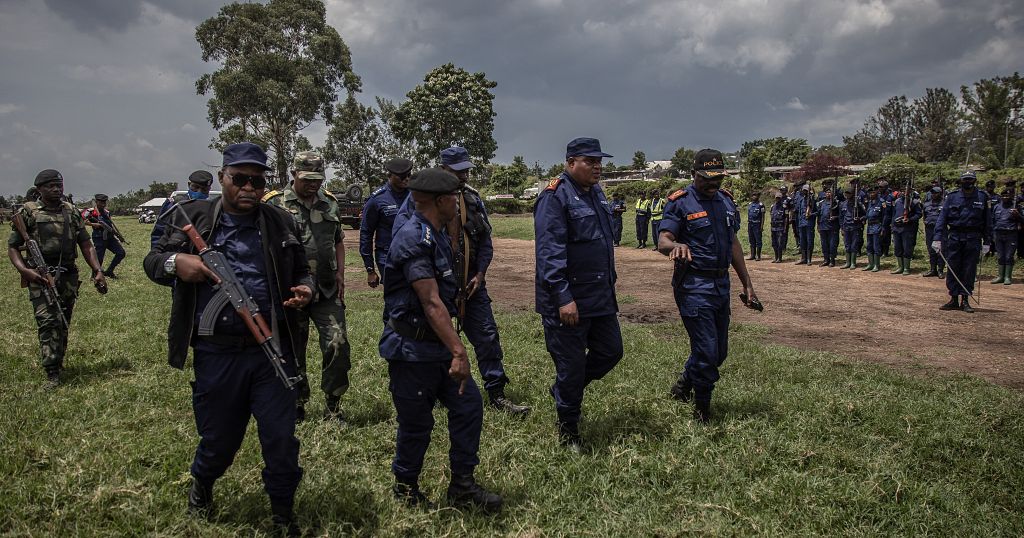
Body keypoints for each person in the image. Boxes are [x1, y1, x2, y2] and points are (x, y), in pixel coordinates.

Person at [144, 142, 313, 533]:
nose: (249, 187)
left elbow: (302, 269)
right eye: (240, 179)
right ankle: (202, 485)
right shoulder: (196, 218)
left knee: (281, 440)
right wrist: (177, 262)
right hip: (217, 353)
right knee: (220, 439)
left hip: (271, 351)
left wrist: (304, 288)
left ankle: (283, 514)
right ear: (222, 178)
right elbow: (152, 261)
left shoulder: (280, 221)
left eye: (257, 181)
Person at [380, 167, 503, 512]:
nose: (458, 203)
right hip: (412, 350)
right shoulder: (414, 238)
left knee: (469, 406)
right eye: (453, 198)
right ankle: (406, 488)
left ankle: (462, 486)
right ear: (439, 201)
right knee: (417, 423)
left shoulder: (435, 234)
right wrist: (459, 352)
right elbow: (431, 302)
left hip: (436, 346)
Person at [534, 137, 622, 450]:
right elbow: (549, 253)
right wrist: (563, 297)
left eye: (600, 162)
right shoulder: (554, 196)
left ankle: (563, 391)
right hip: (568, 300)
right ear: (571, 162)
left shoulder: (596, 192)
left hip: (599, 296)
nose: (598, 167)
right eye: (590, 161)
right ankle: (568, 429)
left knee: (611, 351)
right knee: (570, 367)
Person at [659, 149, 759, 423]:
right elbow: (663, 240)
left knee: (719, 352)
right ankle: (702, 410)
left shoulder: (725, 201)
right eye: (707, 178)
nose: (713, 184)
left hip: (720, 283)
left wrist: (747, 284)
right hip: (693, 284)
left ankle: (684, 385)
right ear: (694, 174)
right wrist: (676, 246)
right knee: (706, 350)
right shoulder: (681, 202)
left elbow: (733, 243)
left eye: (718, 178)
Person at [435, 147, 529, 416]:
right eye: (457, 171)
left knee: (487, 337)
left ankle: (497, 393)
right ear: (443, 170)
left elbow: (486, 243)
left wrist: (480, 274)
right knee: (436, 341)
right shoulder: (424, 200)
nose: (464, 175)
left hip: (472, 285)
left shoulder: (473, 199)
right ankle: (437, 391)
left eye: (466, 170)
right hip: (437, 287)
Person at [263, 151, 352, 425]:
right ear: (294, 174)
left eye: (318, 179)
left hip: (326, 289)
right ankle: (297, 404)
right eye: (307, 179)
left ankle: (333, 406)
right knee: (293, 350)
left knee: (338, 344)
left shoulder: (330, 202)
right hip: (291, 292)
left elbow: (337, 240)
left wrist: (340, 273)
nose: (313, 184)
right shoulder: (274, 204)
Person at [8, 169, 107, 387]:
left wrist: (97, 270)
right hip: (40, 275)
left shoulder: (71, 211)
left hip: (68, 275)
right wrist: (24, 271)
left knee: (63, 319)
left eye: (59, 185)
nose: (56, 189)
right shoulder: (28, 212)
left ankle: (58, 360)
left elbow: (86, 243)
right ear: (39, 189)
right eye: (50, 186)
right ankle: (51, 370)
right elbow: (13, 247)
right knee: (47, 321)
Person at [933, 171, 992, 313]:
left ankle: (965, 299)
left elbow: (988, 221)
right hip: (955, 236)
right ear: (961, 181)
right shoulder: (952, 197)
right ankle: (953, 298)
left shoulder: (982, 197)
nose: (968, 182)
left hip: (973, 237)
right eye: (965, 179)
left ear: (975, 180)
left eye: (970, 179)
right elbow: (942, 218)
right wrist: (937, 238)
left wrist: (987, 241)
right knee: (953, 267)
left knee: (969, 269)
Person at [361, 158, 412, 289]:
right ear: (390, 175)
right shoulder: (377, 199)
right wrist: (370, 269)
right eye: (402, 176)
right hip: (388, 257)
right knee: (395, 295)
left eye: (409, 175)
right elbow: (366, 234)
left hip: (412, 254)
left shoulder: (415, 196)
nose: (406, 179)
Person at [150, 170, 213, 248]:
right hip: (174, 250)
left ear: (209, 189)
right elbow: (159, 232)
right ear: (189, 185)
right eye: (195, 187)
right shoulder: (174, 204)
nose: (199, 192)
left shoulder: (212, 208)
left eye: (204, 190)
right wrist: (156, 252)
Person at [83, 194, 126, 278]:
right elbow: (82, 220)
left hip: (109, 237)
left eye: (104, 202)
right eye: (101, 202)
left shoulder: (106, 212)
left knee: (121, 253)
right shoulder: (90, 211)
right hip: (99, 237)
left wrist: (118, 235)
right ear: (96, 202)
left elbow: (110, 225)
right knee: (99, 258)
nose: (103, 204)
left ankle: (109, 271)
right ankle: (95, 275)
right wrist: (94, 224)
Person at [989, 187, 1020, 285]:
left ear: (1011, 196)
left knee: (1009, 256)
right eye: (1003, 196)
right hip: (998, 234)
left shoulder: (1016, 207)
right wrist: (992, 234)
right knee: (1000, 255)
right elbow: (992, 220)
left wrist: (1017, 215)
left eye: (1007, 195)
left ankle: (1007, 277)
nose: (1005, 197)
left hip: (1011, 234)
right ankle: (1000, 276)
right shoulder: (996, 207)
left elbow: (1022, 220)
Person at [890, 187, 922, 275]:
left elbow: (919, 214)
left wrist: (910, 219)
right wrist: (892, 226)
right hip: (897, 228)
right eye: (903, 191)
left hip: (907, 228)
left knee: (907, 248)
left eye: (907, 191)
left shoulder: (914, 202)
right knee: (897, 248)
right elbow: (894, 215)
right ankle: (900, 267)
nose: (905, 192)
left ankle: (906, 268)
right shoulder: (897, 201)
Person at [839, 188, 866, 269]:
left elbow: (865, 214)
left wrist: (860, 219)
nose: (847, 195)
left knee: (854, 245)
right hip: (846, 227)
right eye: (846, 193)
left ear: (853, 194)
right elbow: (841, 217)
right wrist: (842, 228)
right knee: (847, 245)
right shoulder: (843, 204)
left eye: (849, 193)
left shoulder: (858, 204)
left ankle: (853, 263)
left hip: (855, 227)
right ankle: (848, 262)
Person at [921, 187, 946, 277]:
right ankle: (933, 269)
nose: (933, 194)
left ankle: (940, 270)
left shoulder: (944, 204)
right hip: (929, 229)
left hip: (941, 230)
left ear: (940, 194)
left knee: (941, 250)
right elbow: (924, 215)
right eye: (932, 193)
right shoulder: (927, 204)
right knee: (931, 249)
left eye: (936, 193)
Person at [862, 186, 885, 272]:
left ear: (877, 192)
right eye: (870, 193)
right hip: (870, 227)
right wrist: (863, 218)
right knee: (869, 246)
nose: (871, 194)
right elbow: (868, 214)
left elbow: (885, 216)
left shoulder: (881, 202)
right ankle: (870, 264)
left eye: (873, 192)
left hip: (877, 226)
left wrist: (883, 228)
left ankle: (876, 265)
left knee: (876, 246)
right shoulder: (869, 202)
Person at [816, 189, 840, 267]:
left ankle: (832, 260)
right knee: (824, 245)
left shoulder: (836, 203)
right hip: (823, 226)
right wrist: (818, 225)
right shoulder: (821, 203)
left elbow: (841, 215)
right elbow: (819, 215)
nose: (828, 194)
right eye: (827, 192)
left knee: (832, 245)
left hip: (832, 227)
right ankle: (826, 260)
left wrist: (835, 217)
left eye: (830, 192)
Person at [794, 183, 817, 265]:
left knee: (809, 241)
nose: (805, 192)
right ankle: (803, 258)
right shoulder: (801, 200)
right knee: (802, 241)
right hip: (801, 223)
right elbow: (798, 211)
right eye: (804, 190)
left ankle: (809, 259)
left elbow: (817, 212)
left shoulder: (813, 200)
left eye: (806, 191)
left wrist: (811, 214)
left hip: (809, 224)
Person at [769, 192, 788, 263]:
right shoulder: (772, 206)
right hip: (773, 227)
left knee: (780, 243)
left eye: (779, 198)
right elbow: (771, 216)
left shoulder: (784, 207)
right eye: (776, 198)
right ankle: (776, 257)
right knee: (774, 243)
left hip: (780, 227)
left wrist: (785, 228)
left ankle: (780, 258)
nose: (777, 199)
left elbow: (786, 218)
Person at [878, 180, 894, 258]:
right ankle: (880, 251)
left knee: (886, 236)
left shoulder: (891, 197)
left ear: (886, 187)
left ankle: (885, 252)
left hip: (888, 219)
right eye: (879, 187)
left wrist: (892, 221)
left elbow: (893, 210)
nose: (880, 188)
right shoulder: (879, 196)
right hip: (879, 218)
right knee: (879, 235)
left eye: (881, 187)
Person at [746, 192, 765, 261]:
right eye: (753, 195)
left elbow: (763, 216)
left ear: (758, 196)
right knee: (751, 240)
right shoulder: (750, 204)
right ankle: (752, 255)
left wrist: (761, 226)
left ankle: (758, 256)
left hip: (757, 224)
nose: (754, 197)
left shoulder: (761, 205)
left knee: (758, 240)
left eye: (755, 195)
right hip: (750, 224)